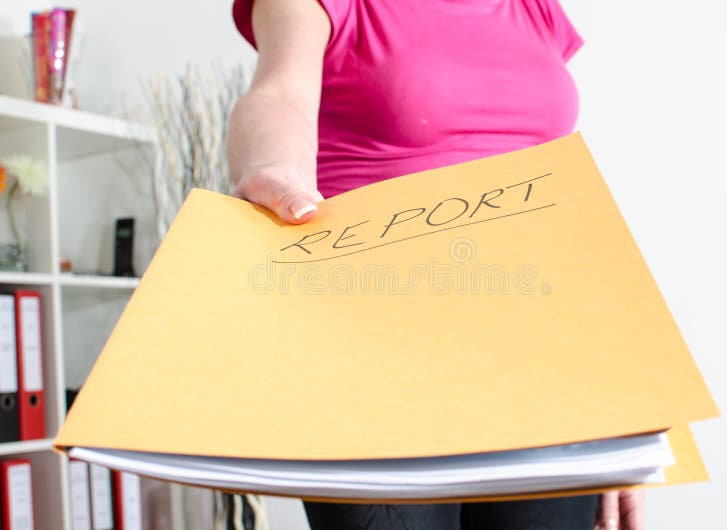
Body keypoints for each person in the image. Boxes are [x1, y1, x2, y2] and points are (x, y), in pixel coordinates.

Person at [227, 0, 644, 528]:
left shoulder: (534, 8)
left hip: (543, 358)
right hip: (376, 351)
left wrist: (628, 407)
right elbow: (279, 94)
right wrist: (271, 168)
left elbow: (564, 203)